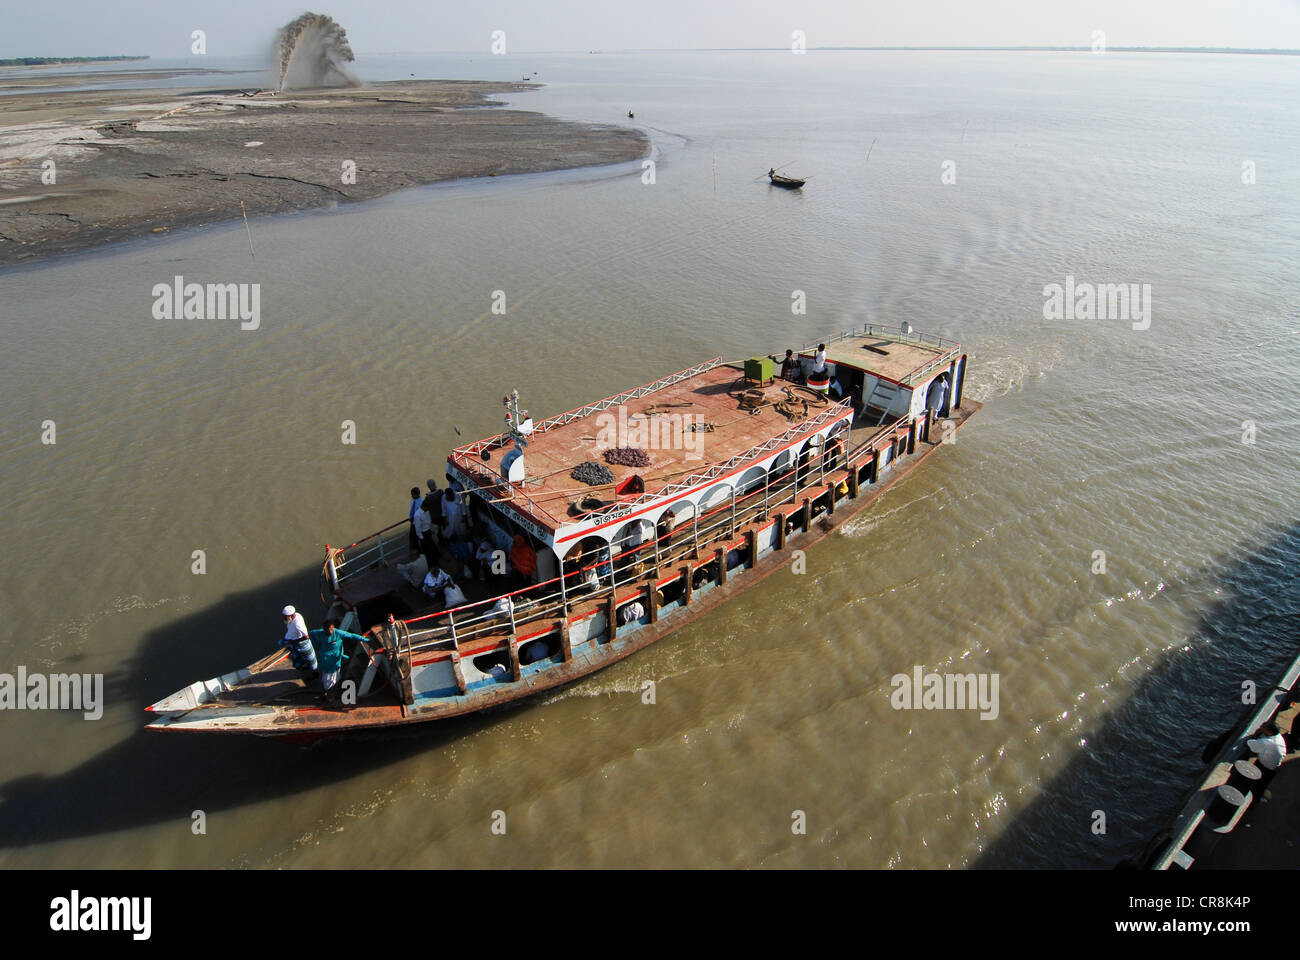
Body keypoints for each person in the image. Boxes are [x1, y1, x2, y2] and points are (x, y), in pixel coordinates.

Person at [309, 618, 365, 699]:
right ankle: (327, 693)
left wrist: (364, 639)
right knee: (326, 678)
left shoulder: (338, 633)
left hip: (335, 662)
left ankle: (330, 693)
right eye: (328, 630)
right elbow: (311, 634)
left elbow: (352, 635)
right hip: (325, 662)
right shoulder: (320, 633)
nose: (331, 632)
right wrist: (317, 645)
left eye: (332, 629)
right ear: (324, 629)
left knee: (334, 678)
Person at [279, 604, 318, 680]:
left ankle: (315, 673)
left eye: (285, 617)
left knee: (311, 660)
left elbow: (306, 637)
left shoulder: (298, 625)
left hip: (301, 644)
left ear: (291, 616)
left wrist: (294, 641)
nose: (284, 618)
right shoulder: (296, 616)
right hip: (292, 639)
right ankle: (302, 665)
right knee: (281, 643)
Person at [407, 487, 423, 555]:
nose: (411, 496)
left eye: (412, 494)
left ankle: (418, 552)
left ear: (417, 494)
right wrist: (410, 517)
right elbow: (412, 510)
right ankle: (415, 550)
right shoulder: (414, 500)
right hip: (413, 522)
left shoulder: (421, 502)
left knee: (416, 538)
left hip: (417, 523)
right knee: (412, 536)